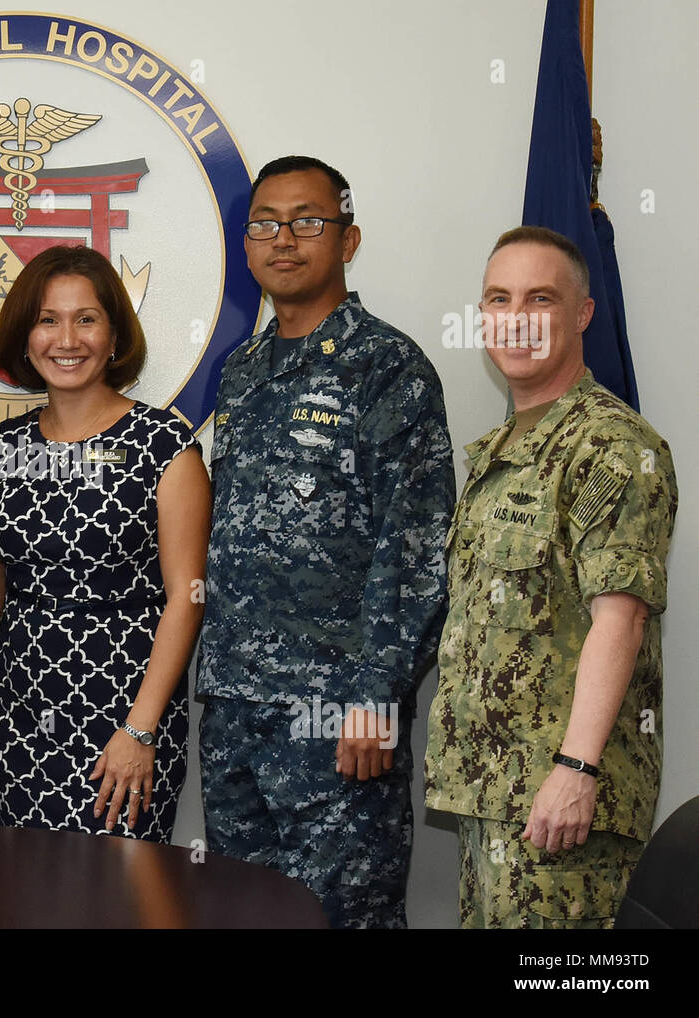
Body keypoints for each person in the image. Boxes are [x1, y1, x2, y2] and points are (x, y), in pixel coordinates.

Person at [197, 156, 456, 927]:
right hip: (238, 711)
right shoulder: (240, 372)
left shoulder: (390, 368)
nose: (286, 239)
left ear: (348, 239)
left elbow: (415, 548)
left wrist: (380, 693)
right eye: (266, 224)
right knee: (242, 915)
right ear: (246, 248)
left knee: (345, 918)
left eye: (309, 221)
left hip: (337, 720)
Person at [425, 226, 677, 928]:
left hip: (560, 803)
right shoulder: (503, 451)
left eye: (540, 299)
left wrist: (576, 771)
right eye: (499, 299)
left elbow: (620, 616)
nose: (516, 317)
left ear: (582, 315)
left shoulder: (611, 445)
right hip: (493, 793)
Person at [0, 245, 209, 841]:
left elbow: (186, 598)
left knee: (114, 893)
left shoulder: (162, 443)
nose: (67, 338)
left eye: (86, 319)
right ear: (25, 336)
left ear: (114, 335)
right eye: (47, 319)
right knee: (24, 890)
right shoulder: (2, 449)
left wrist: (141, 729)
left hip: (126, 711)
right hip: (23, 711)